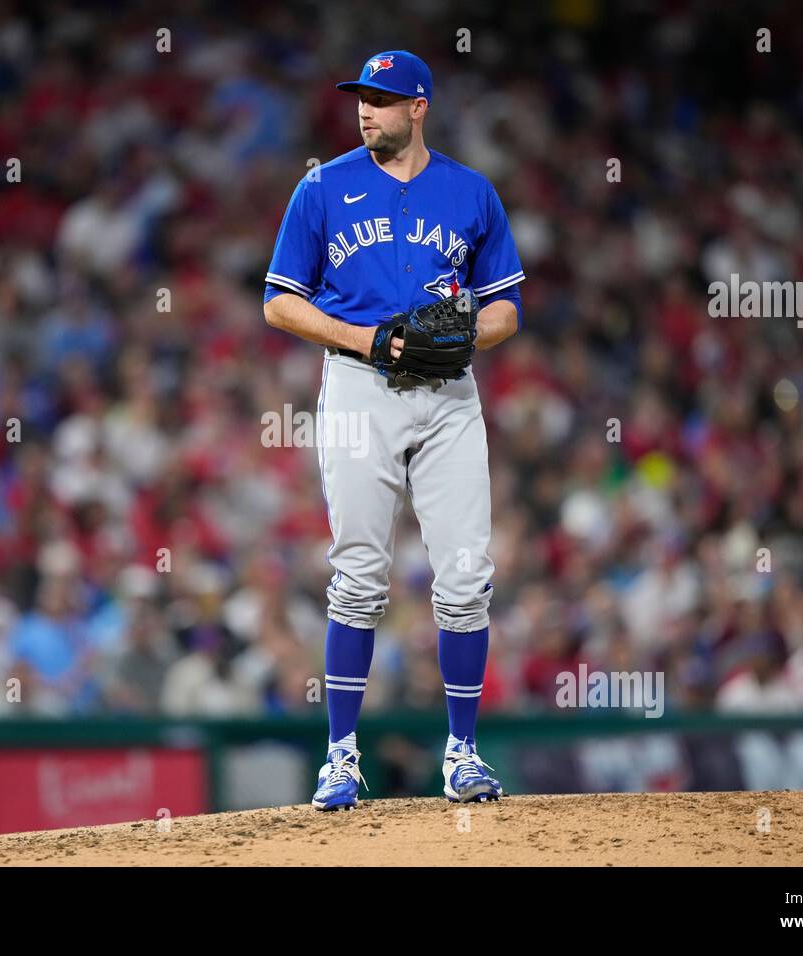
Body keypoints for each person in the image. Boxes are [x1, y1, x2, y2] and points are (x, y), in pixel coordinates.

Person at [262, 50, 524, 809]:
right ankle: (341, 755)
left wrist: (469, 335)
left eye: (380, 99)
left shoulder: (470, 192)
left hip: (448, 393)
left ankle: (463, 754)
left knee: (468, 578)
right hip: (359, 387)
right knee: (358, 577)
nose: (364, 110)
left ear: (419, 107)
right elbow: (280, 301)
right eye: (359, 99)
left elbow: (507, 306)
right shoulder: (322, 186)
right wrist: (366, 339)